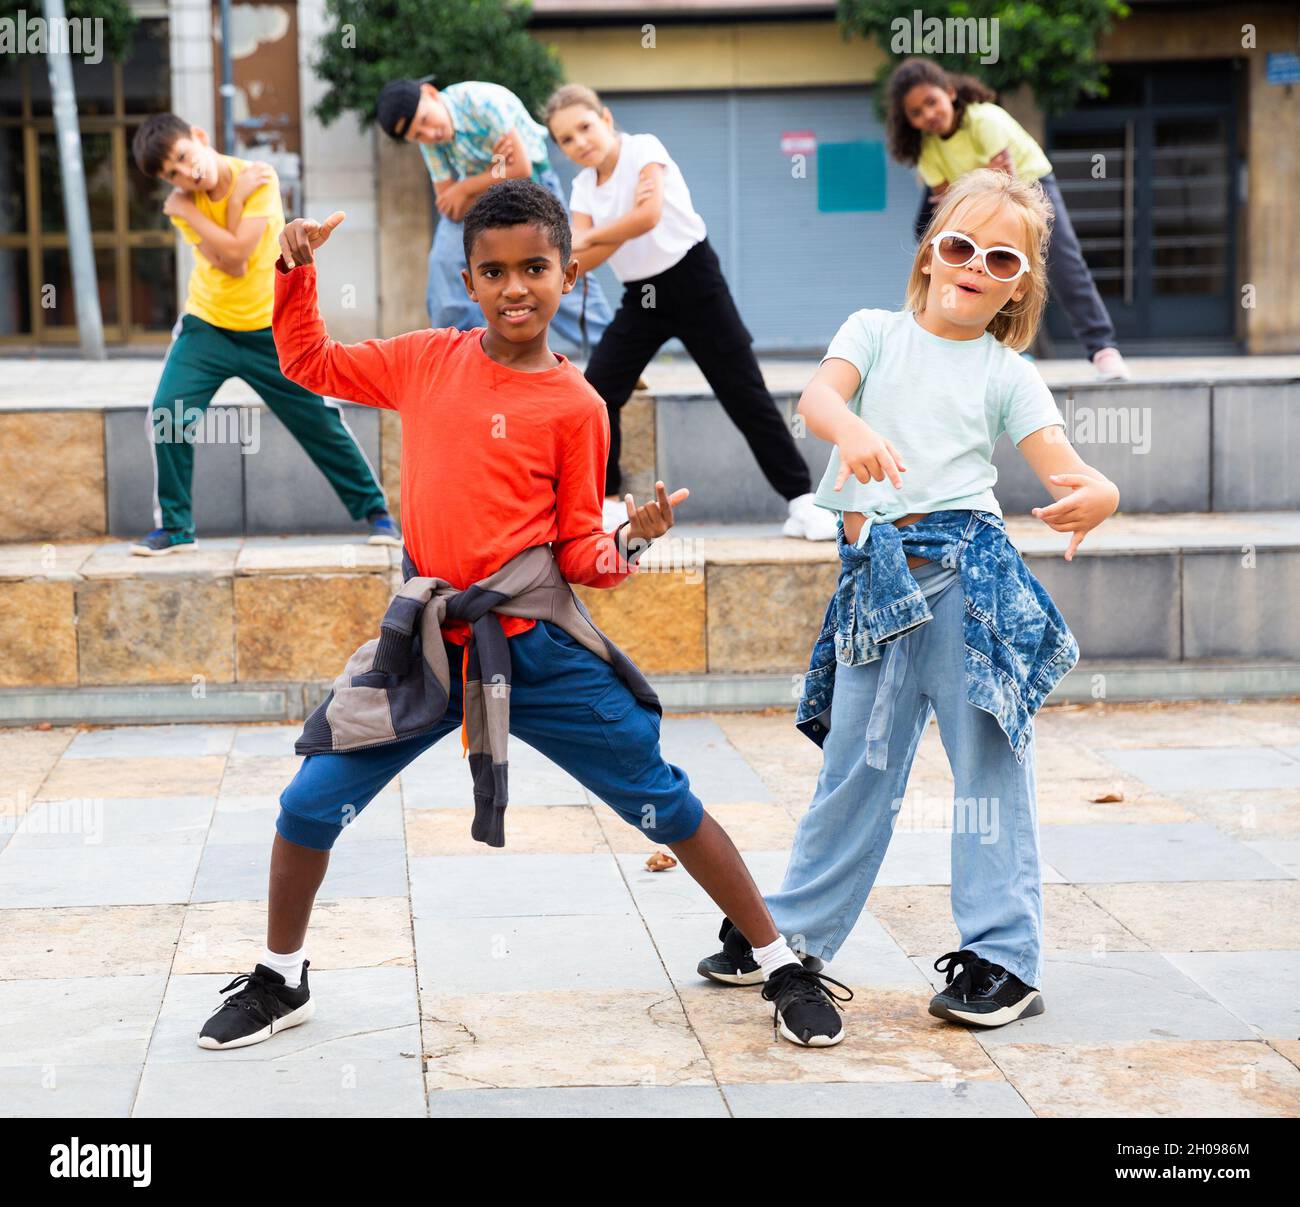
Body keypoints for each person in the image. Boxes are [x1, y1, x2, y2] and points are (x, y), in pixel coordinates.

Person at [195, 180, 851, 1053]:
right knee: (309, 803)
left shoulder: (579, 407)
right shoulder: (425, 360)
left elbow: (580, 552)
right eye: (494, 270)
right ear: (468, 279)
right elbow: (308, 363)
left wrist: (633, 537)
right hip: (426, 643)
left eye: (535, 267)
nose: (515, 287)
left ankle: (777, 962)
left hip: (535, 647)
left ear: (568, 273)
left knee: (662, 799)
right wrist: (294, 268)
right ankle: (282, 977)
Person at [697, 169, 1121, 1041]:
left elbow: (1065, 467)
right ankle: (792, 931)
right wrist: (850, 429)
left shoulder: (1008, 372)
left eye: (999, 258)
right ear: (931, 248)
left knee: (987, 772)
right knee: (856, 763)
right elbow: (819, 399)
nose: (974, 264)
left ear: (1018, 284)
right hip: (876, 583)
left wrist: (1100, 493)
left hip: (968, 578)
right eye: (961, 244)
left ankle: (1003, 957)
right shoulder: (875, 333)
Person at [545, 84, 836, 540]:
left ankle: (802, 502)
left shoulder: (644, 148)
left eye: (584, 127)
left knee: (744, 392)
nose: (579, 142)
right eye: (566, 139)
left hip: (696, 281)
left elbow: (648, 217)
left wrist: (584, 237)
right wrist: (587, 241)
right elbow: (590, 260)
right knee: (598, 392)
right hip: (642, 299)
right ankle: (604, 503)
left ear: (604, 118)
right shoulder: (582, 187)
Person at [128, 114, 397, 554]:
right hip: (207, 326)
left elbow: (234, 256)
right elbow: (224, 257)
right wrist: (199, 210)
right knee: (168, 415)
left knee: (318, 421)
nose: (183, 174)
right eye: (170, 175)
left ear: (200, 135)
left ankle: (378, 514)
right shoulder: (181, 205)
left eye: (182, 157)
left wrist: (196, 211)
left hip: (269, 331)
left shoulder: (258, 176)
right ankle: (176, 529)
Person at [885, 57, 1131, 382]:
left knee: (1062, 262)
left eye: (932, 102)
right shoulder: (927, 149)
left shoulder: (983, 119)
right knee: (955, 255)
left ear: (949, 92)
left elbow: (1004, 179)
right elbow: (945, 201)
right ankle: (993, 348)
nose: (928, 115)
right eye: (916, 112)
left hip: (1026, 184)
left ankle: (1103, 349)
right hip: (978, 200)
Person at [375, 76, 612, 357]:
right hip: (480, 199)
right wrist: (494, 171)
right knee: (444, 262)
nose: (430, 135)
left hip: (533, 183)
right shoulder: (430, 140)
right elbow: (450, 206)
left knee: (555, 266)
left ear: (431, 94)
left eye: (426, 120)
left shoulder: (482, 102)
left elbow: (520, 168)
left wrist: (465, 186)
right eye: (418, 135)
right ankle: (460, 358)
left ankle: (611, 352)